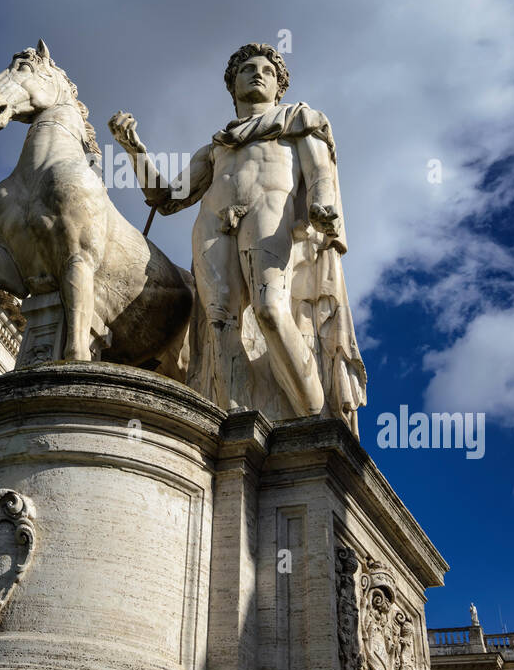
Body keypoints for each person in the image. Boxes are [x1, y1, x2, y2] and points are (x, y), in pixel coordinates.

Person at [109, 43, 365, 433]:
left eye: (267, 70)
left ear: (279, 85)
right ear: (232, 85)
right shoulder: (216, 146)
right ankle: (232, 424)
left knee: (270, 310)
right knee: (218, 324)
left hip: (270, 210)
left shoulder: (299, 119)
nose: (257, 74)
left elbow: (319, 174)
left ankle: (315, 422)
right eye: (247, 68)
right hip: (213, 221)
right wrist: (134, 149)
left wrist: (322, 205)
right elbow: (166, 199)